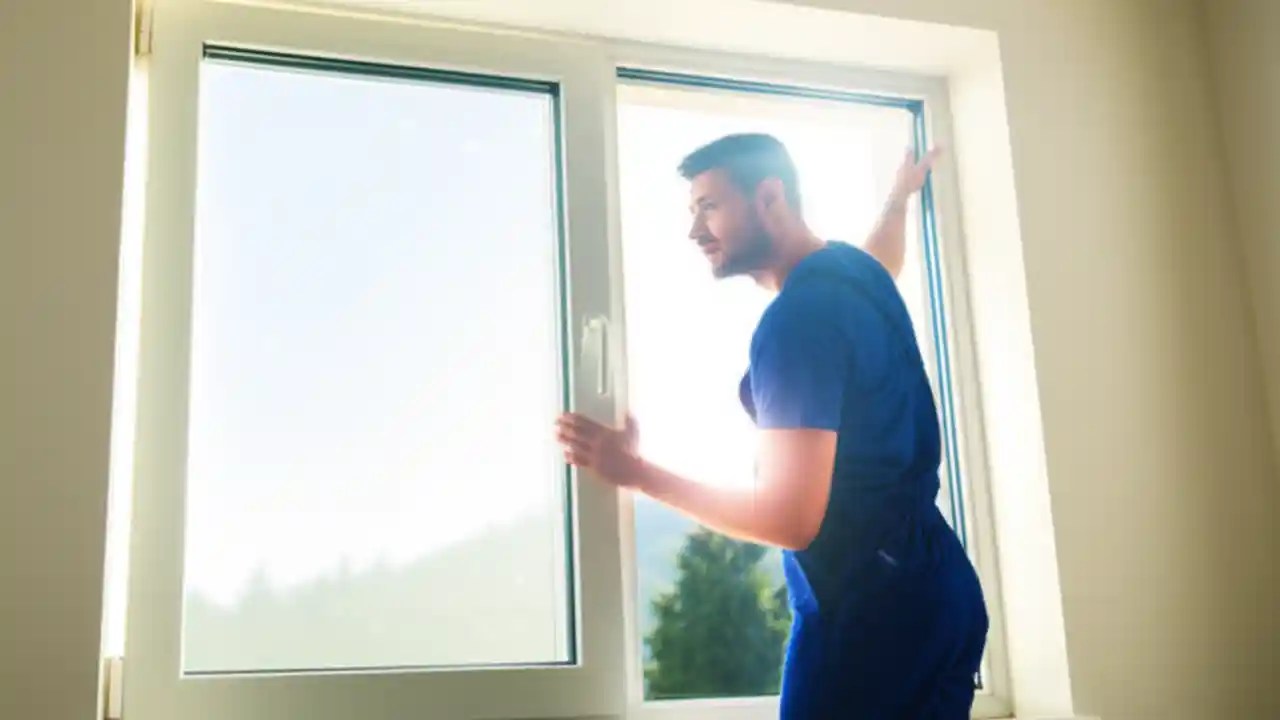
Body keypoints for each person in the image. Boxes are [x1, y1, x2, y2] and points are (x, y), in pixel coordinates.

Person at [555, 133, 987, 719]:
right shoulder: (853, 275)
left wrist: (632, 472)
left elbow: (790, 520)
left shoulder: (796, 324)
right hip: (941, 595)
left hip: (869, 624)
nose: (695, 231)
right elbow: (884, 257)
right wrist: (898, 199)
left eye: (710, 206)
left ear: (769, 197)